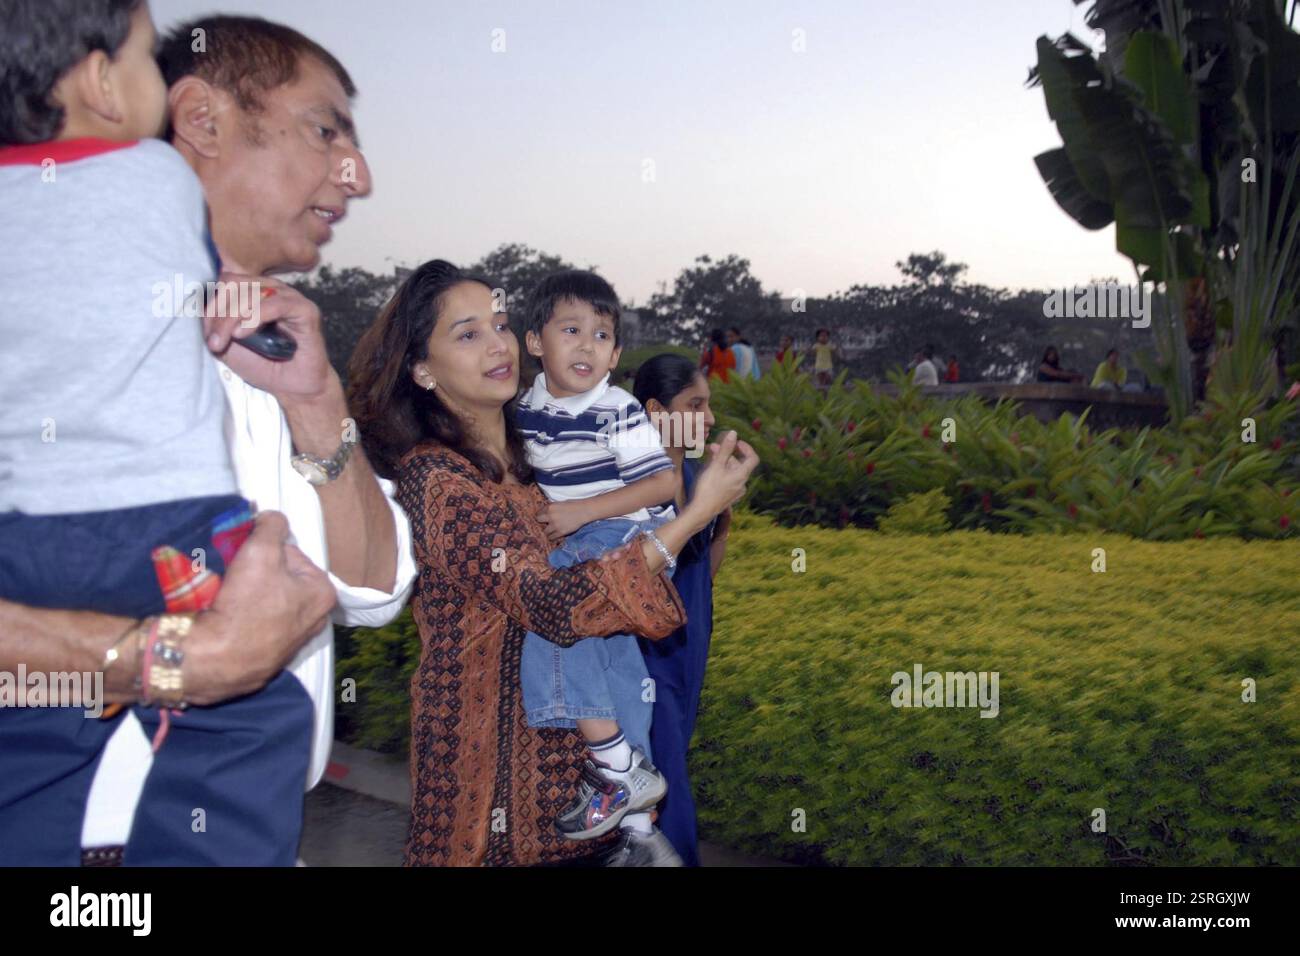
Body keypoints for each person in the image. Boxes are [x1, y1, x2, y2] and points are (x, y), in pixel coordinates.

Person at [0, 10, 417, 866]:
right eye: (324, 127)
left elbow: (376, 590)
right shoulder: (32, 299)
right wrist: (172, 662)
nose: (359, 173)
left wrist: (317, 403)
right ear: (201, 119)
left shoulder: (282, 346)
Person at [346, 259, 758, 867]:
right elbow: (554, 604)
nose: (497, 345)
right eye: (468, 333)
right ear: (423, 370)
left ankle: (633, 805)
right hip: (486, 798)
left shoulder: (537, 454)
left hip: (577, 803)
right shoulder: (439, 479)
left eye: (500, 324)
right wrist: (692, 516)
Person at [515, 270, 680, 861]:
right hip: (596, 534)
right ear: (535, 342)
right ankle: (639, 823)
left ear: (615, 353)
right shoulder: (527, 407)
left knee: (557, 621)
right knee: (617, 669)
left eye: (602, 334)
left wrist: (576, 511)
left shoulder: (616, 407)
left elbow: (664, 480)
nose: (587, 345)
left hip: (625, 530)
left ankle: (611, 763)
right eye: (571, 329)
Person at [632, 354, 731, 866]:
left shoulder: (695, 474)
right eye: (696, 404)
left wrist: (722, 519)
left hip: (690, 644)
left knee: (670, 765)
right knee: (663, 779)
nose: (709, 417)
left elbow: (701, 573)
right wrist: (700, 513)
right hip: (649, 656)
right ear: (655, 410)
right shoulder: (628, 485)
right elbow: (633, 577)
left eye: (709, 403)